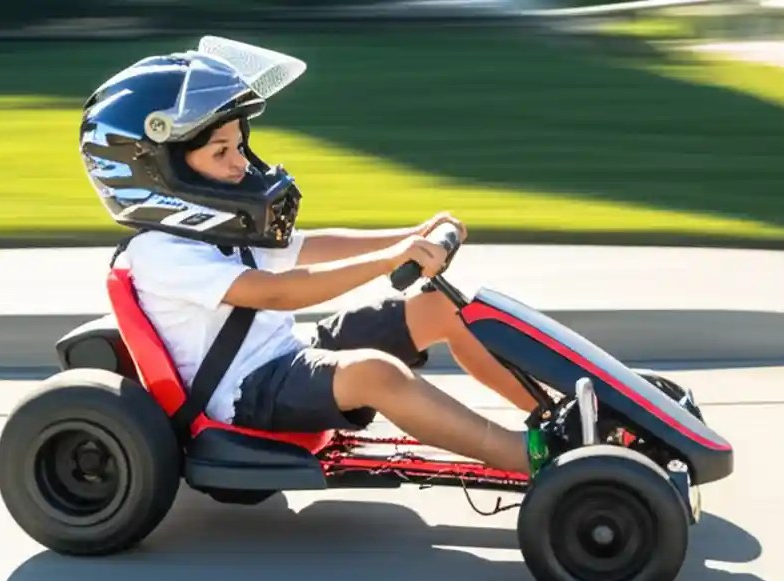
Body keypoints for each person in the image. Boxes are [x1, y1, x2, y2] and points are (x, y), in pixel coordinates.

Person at [78, 38, 556, 475]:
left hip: (288, 356)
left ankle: (554, 419)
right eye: (220, 151)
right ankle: (527, 456)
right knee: (376, 372)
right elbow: (279, 292)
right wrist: (390, 259)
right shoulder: (161, 253)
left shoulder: (220, 223)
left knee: (440, 306)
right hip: (248, 393)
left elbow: (307, 246)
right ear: (157, 171)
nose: (241, 162)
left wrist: (413, 235)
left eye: (240, 144)